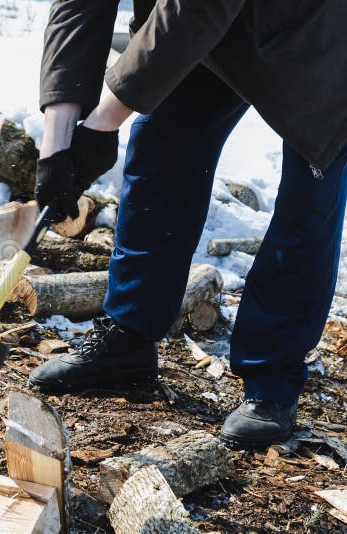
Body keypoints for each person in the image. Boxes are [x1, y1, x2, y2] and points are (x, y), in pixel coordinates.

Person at [29, 0, 347, 450]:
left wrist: (103, 122)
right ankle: (129, 336)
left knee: (310, 193)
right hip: (203, 24)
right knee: (162, 145)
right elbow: (80, 6)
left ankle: (272, 375)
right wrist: (57, 143)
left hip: (320, 30)